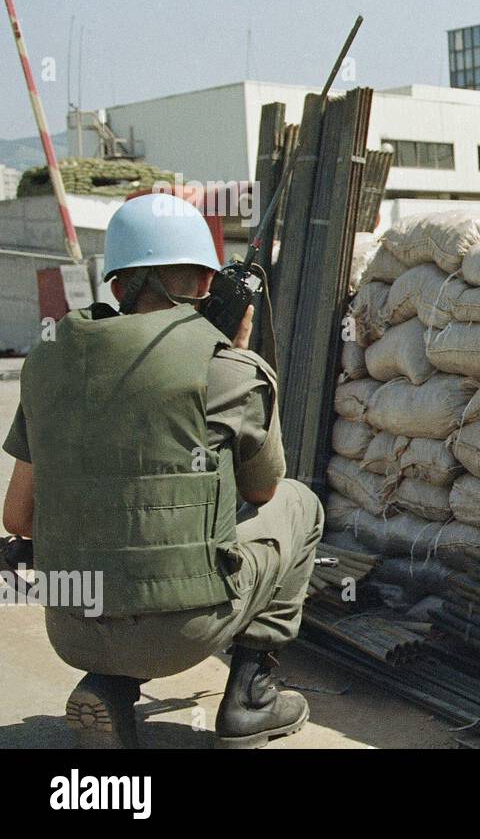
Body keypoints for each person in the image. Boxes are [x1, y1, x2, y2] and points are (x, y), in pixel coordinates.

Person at [1, 193, 323, 749]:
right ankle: (250, 695)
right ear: (206, 284)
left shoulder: (47, 362)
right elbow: (262, 490)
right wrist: (234, 353)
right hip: (183, 635)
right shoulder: (230, 370)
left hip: (71, 627)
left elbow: (19, 519)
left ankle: (108, 686)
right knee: (299, 503)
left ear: (117, 287)